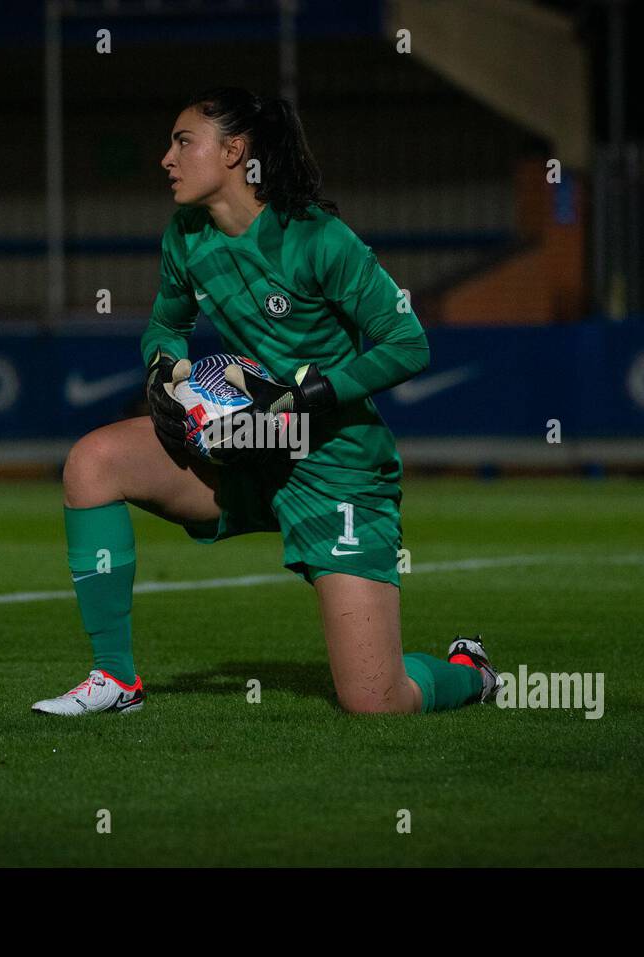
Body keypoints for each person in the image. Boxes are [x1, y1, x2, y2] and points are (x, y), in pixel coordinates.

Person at [32, 87, 502, 716]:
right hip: (243, 449)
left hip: (336, 467)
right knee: (92, 463)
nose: (165, 158)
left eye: (182, 141)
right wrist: (163, 374)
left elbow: (407, 344)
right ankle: (116, 679)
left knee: (375, 699)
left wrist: (317, 393)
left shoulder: (320, 241)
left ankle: (470, 672)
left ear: (234, 151)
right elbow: (165, 327)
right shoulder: (186, 235)